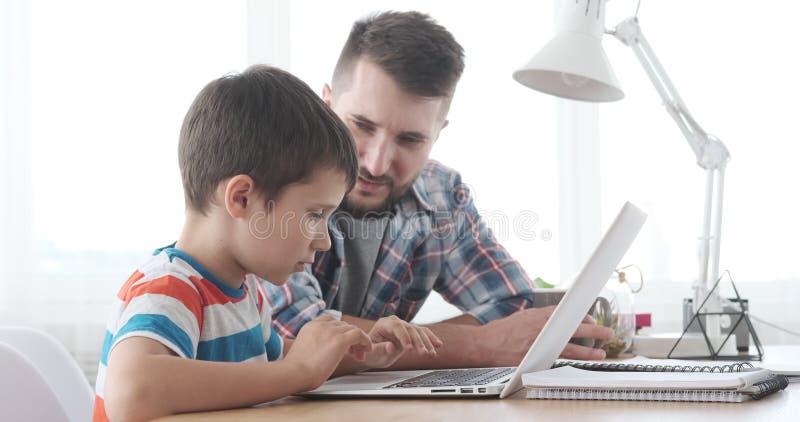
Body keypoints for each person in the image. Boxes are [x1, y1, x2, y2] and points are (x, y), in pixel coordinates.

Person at [265, 11, 613, 370]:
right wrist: (477, 345)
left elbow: (512, 304)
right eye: (362, 125)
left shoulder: (442, 194)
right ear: (327, 105)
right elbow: (296, 328)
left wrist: (461, 344)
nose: (377, 163)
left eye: (410, 139)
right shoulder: (274, 183)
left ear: (438, 133)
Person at [93, 65, 442, 422]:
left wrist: (354, 355)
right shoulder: (169, 290)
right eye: (313, 215)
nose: (323, 240)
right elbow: (132, 392)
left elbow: (271, 363)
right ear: (242, 198)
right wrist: (298, 373)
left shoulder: (244, 291)